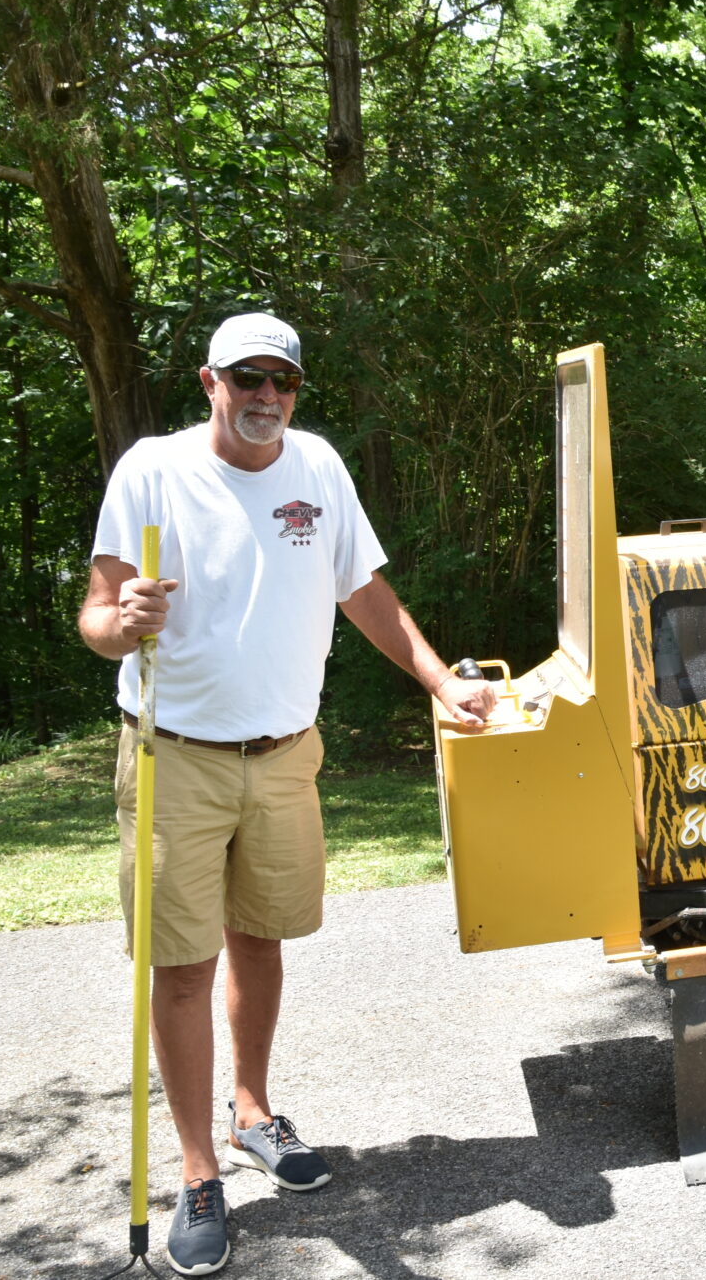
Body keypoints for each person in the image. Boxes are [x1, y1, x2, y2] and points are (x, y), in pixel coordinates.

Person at [78, 312, 497, 1276]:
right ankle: (195, 1173)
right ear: (209, 382)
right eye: (248, 378)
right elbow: (99, 615)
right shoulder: (152, 471)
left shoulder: (317, 468)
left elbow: (364, 590)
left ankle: (251, 1114)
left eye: (284, 381)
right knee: (181, 966)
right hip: (172, 754)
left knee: (259, 937)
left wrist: (439, 680)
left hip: (283, 753)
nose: (268, 395)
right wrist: (121, 618)